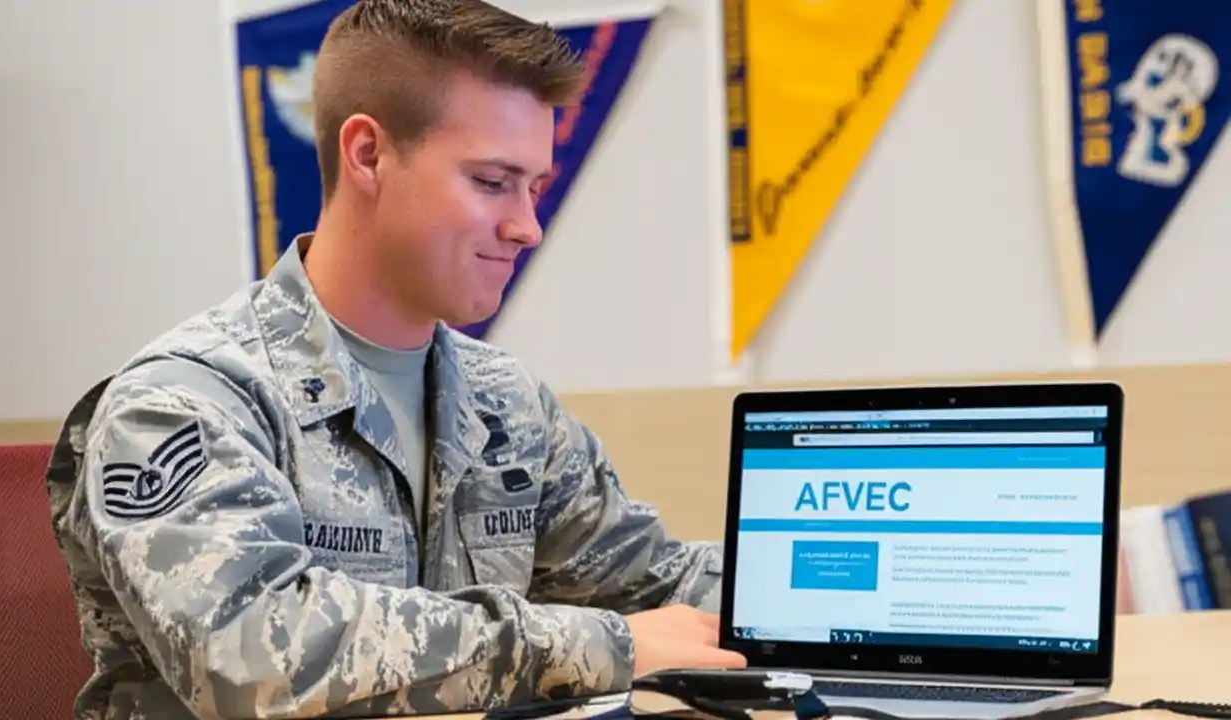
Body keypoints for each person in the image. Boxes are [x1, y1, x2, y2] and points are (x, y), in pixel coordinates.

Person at [45, 1, 746, 718]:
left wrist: (843, 597)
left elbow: (656, 584)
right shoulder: (185, 403)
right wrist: (601, 647)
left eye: (533, 187)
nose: (527, 226)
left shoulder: (505, 403)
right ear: (368, 154)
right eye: (492, 181)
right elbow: (250, 656)